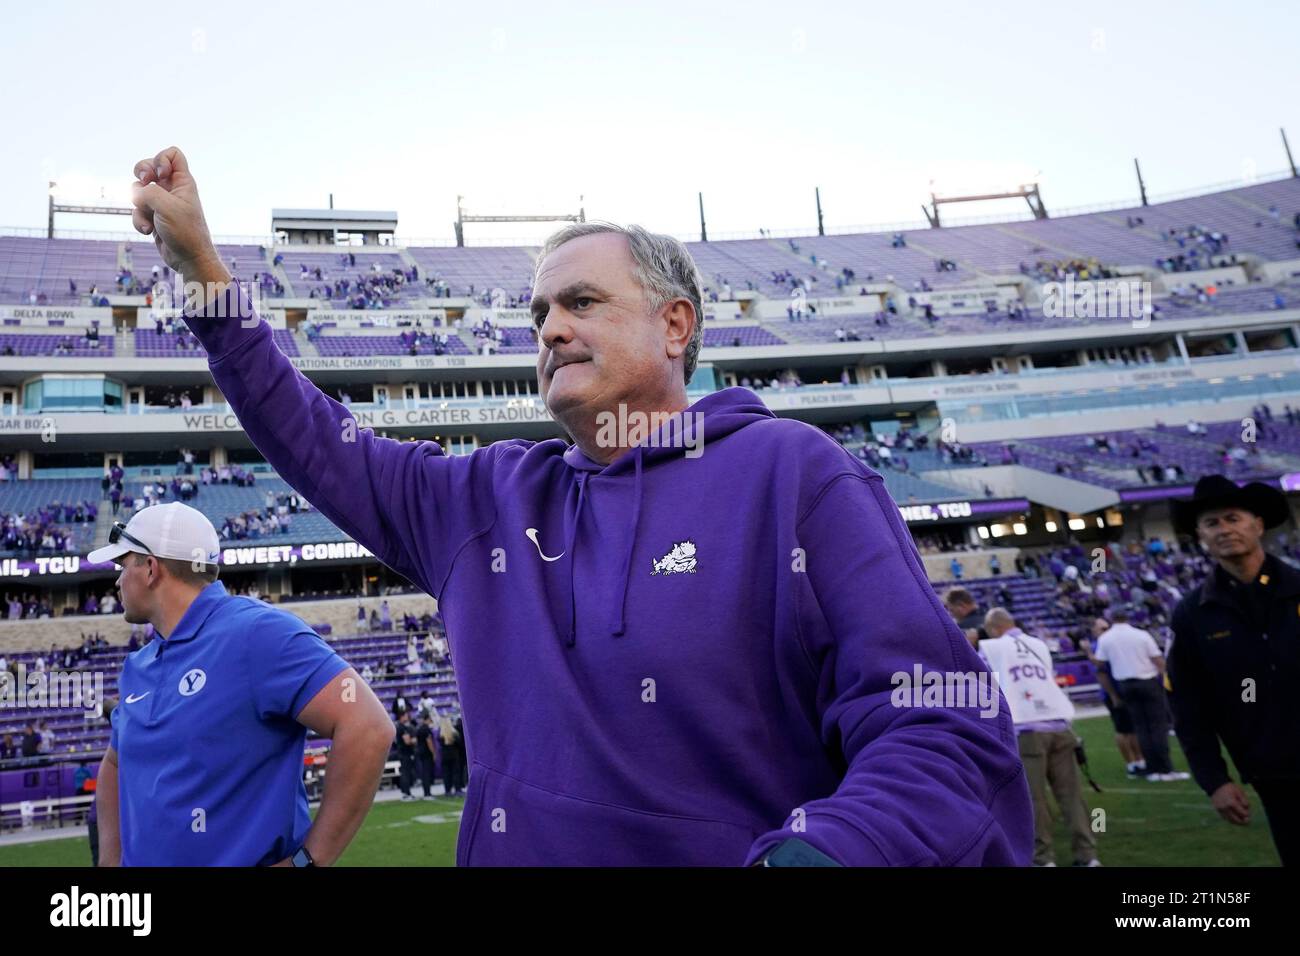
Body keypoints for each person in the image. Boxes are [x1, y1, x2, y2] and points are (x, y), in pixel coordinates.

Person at [132, 146, 1030, 866]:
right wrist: (205, 272)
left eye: (583, 302)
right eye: (538, 315)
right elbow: (314, 436)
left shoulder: (797, 476)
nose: (551, 328)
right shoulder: (483, 500)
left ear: (676, 327)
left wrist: (831, 849)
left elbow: (938, 723)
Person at [90, 502, 394, 866]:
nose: (118, 579)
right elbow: (115, 763)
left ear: (151, 568)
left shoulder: (256, 634)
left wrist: (308, 862)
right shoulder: (139, 664)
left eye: (123, 565)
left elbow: (369, 728)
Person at [1167, 475, 1300, 865]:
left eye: (1233, 518)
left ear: (1257, 524)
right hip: (1278, 776)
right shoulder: (1192, 616)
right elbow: (1187, 706)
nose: (1224, 529)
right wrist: (1215, 781)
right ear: (1200, 535)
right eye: (1212, 523)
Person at [981, 609, 1099, 867]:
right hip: (1060, 724)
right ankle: (1088, 855)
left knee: (1034, 798)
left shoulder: (993, 647)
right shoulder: (1039, 644)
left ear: (993, 628)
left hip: (1027, 728)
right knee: (1071, 795)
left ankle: (1044, 858)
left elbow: (984, 683)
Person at [1094, 608, 1188, 782]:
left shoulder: (1105, 639)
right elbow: (1158, 661)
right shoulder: (1140, 635)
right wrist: (1170, 684)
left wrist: (1113, 694)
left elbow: (1100, 668)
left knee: (1141, 728)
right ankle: (1165, 768)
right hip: (1147, 681)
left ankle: (1152, 768)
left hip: (1125, 685)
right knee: (1157, 726)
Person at [1080, 617, 1144, 776]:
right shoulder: (1098, 646)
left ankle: (1140, 761)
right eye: (1101, 628)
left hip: (1124, 688)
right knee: (1123, 730)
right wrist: (1113, 695)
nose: (1105, 630)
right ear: (1094, 631)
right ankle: (1131, 764)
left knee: (1133, 728)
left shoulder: (1109, 643)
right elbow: (1100, 670)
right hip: (1114, 692)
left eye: (1107, 627)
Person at [394, 712, 418, 801]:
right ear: (402, 716)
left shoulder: (400, 727)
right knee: (406, 774)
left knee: (405, 773)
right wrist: (414, 740)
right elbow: (407, 741)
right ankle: (406, 793)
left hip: (403, 753)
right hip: (405, 753)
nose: (407, 717)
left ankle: (406, 793)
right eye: (405, 715)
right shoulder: (402, 727)